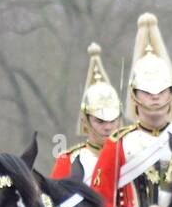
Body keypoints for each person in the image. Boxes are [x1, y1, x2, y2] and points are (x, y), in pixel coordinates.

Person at [90, 15, 172, 207]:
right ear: (134, 95)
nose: (155, 96)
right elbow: (102, 203)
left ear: (171, 93)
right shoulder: (117, 144)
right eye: (147, 91)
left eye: (162, 90)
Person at [51, 43, 122, 183]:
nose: (108, 127)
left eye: (113, 120)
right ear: (85, 121)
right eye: (100, 121)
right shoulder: (68, 162)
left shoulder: (133, 155)